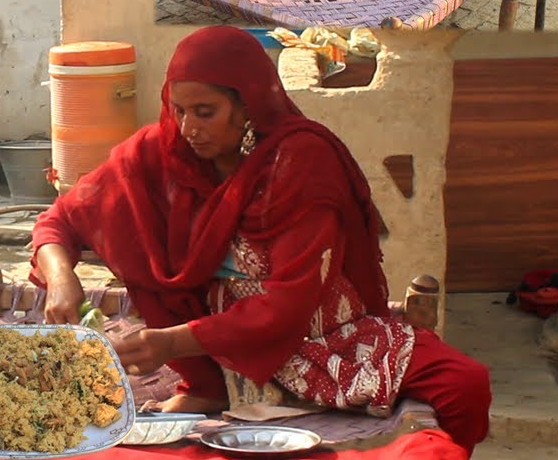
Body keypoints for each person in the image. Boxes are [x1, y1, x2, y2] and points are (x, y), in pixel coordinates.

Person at [31, 26, 492, 457]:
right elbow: (60, 220)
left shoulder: (301, 162)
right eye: (179, 110)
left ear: (247, 104)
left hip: (317, 332)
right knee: (130, 231)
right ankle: (207, 388)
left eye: (205, 113)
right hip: (210, 344)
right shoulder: (162, 153)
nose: (189, 127)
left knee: (464, 383)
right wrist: (60, 277)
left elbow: (287, 304)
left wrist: (172, 344)